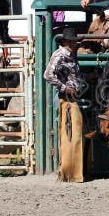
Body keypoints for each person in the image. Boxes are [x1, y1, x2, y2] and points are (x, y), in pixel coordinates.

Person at [44, 28, 89, 182]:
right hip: (67, 98)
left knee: (74, 134)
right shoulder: (60, 55)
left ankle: (73, 173)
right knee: (72, 135)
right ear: (64, 42)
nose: (72, 43)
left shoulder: (70, 55)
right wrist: (64, 87)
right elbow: (47, 74)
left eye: (73, 41)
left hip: (74, 97)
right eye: (69, 41)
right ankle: (70, 173)